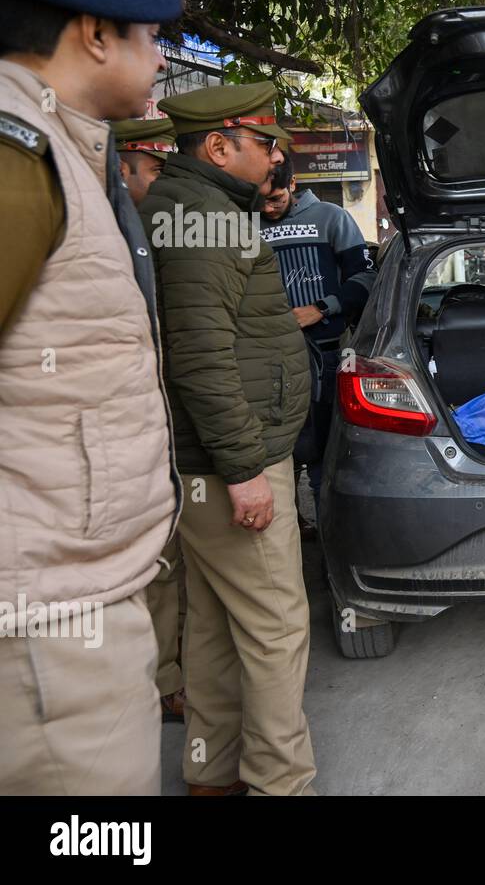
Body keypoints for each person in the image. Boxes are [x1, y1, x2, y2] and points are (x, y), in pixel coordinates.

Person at [0, 0, 182, 795]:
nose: (162, 55)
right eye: (151, 36)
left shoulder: (67, 150)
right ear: (94, 34)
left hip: (70, 597)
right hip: (44, 620)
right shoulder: (16, 155)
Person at [139, 82, 316, 796]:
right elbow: (200, 356)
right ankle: (282, 783)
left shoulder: (195, 207)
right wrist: (245, 468)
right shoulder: (203, 219)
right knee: (277, 628)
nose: (276, 156)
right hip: (234, 462)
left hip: (209, 464)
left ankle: (211, 775)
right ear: (219, 146)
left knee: (211, 628)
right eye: (265, 142)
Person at [114, 116, 189, 719]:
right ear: (122, 170)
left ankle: (170, 672)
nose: (161, 179)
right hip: (132, 425)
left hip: (163, 421)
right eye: (153, 168)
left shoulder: (151, 233)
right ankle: (163, 682)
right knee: (159, 565)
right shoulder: (118, 236)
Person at [260, 160, 372, 519]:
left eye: (275, 199)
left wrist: (323, 308)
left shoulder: (331, 218)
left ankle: (327, 529)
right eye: (261, 200)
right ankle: (290, 528)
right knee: (279, 451)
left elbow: (365, 278)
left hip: (327, 353)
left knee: (326, 447)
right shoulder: (245, 226)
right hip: (267, 356)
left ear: (292, 183)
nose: (268, 208)